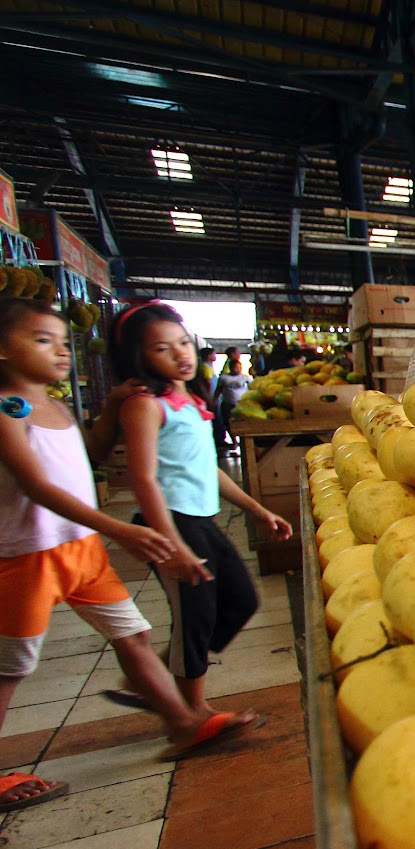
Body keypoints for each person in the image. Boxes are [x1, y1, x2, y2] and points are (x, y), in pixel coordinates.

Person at [0, 299, 261, 817]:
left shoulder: (52, 404)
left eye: (60, 340)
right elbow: (36, 485)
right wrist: (122, 527)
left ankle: (184, 724)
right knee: (10, 670)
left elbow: (92, 453)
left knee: (133, 635)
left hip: (81, 549)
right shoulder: (7, 408)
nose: (59, 351)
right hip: (28, 554)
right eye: (40, 340)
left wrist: (107, 411)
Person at [109, 300, 291, 720]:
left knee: (241, 601)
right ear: (137, 357)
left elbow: (208, 469)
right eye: (162, 348)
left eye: (182, 343)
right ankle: (193, 710)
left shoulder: (189, 401)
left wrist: (257, 510)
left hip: (199, 520)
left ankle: (152, 677)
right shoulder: (143, 405)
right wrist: (172, 544)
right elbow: (143, 479)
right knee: (196, 616)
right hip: (169, 523)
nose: (180, 354)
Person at [213, 355, 249, 457]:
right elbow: (218, 390)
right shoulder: (224, 378)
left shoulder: (245, 378)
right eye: (235, 367)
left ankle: (243, 442)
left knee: (243, 423)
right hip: (228, 404)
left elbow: (252, 389)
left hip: (242, 404)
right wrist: (214, 400)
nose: (238, 370)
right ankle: (234, 441)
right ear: (231, 368)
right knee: (228, 423)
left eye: (240, 367)